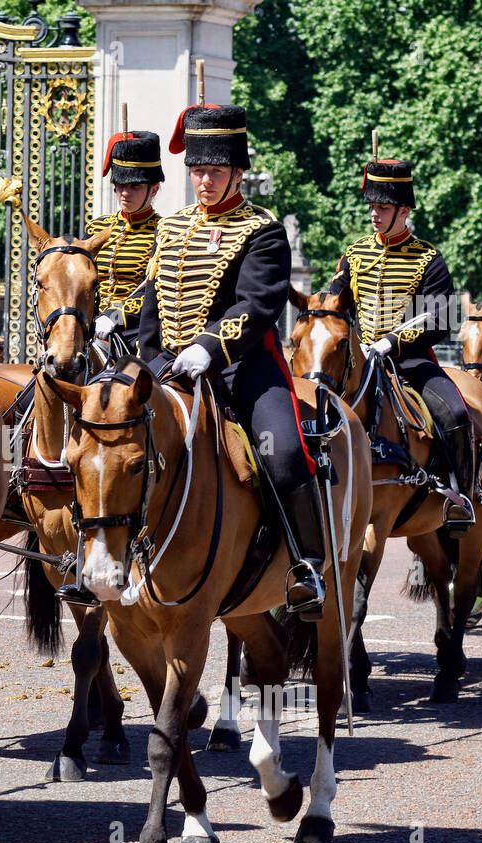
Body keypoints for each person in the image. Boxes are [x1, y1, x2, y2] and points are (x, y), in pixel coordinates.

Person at [137, 102, 325, 619]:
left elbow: (259, 303)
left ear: (237, 172)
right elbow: (152, 303)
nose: (204, 181)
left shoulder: (261, 229)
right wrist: (150, 361)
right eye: (198, 170)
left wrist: (209, 346)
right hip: (172, 367)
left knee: (284, 453)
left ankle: (307, 567)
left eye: (215, 171)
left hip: (244, 370)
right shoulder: (171, 227)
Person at [326, 157, 474, 539]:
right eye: (372, 207)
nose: (375, 215)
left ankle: (462, 496)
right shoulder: (353, 255)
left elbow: (440, 316)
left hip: (410, 364)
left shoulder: (428, 258)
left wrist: (394, 341)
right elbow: (332, 305)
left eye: (384, 208)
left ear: (404, 211)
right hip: (358, 365)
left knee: (456, 413)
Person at [89, 130, 165, 351]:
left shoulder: (164, 231)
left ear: (154, 189)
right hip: (90, 325)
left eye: (135, 186)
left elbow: (155, 291)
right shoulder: (96, 228)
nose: (125, 193)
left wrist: (116, 316)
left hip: (135, 330)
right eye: (121, 185)